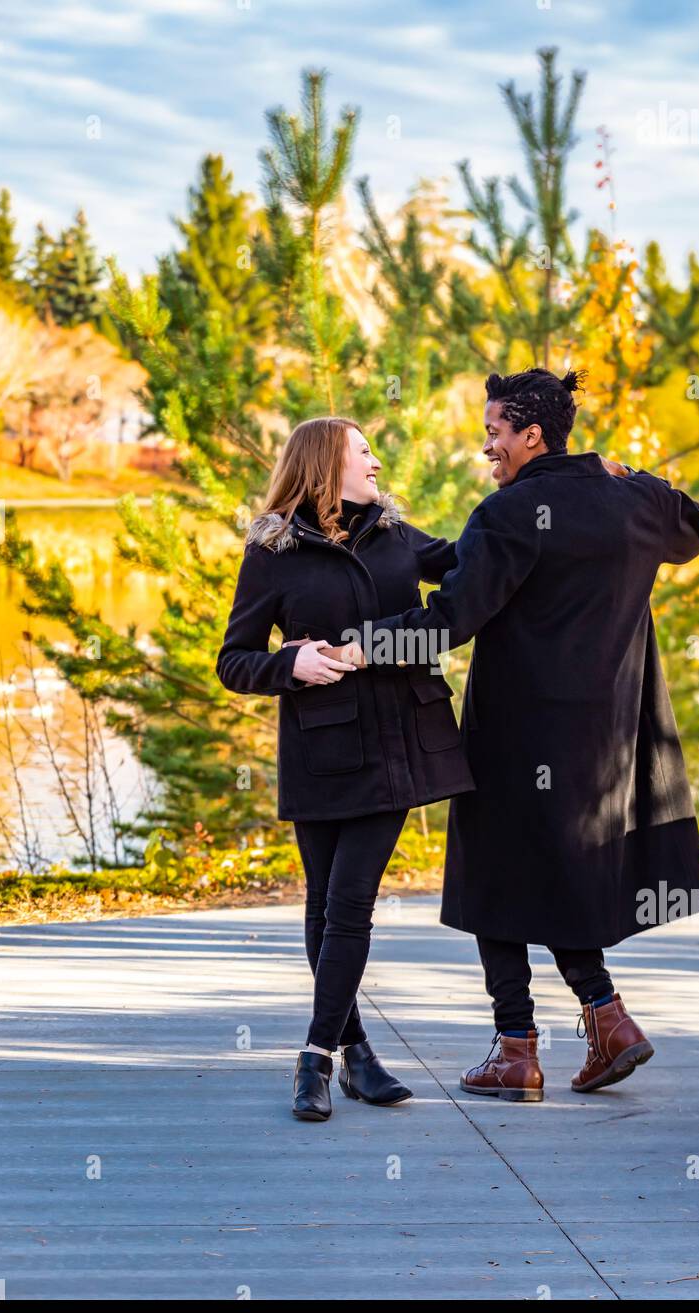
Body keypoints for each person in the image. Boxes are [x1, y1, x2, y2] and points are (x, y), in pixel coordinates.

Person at [328, 368, 699, 1102]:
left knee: (491, 876)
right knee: (556, 872)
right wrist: (624, 472)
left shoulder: (510, 513)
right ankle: (606, 1019)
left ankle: (517, 1048)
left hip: (518, 728)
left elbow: (446, 623)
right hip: (611, 734)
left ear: (531, 434)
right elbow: (693, 528)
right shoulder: (634, 502)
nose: (487, 450)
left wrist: (358, 645)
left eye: (494, 433)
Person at [216, 417, 474, 1120]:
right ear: (327, 465)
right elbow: (233, 661)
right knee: (323, 901)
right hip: (322, 749)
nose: (377, 462)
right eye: (364, 452)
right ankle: (358, 1053)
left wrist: (537, 516)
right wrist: (288, 664)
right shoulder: (272, 551)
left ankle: (315, 1059)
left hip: (401, 744)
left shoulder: (395, 534)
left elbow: (473, 566)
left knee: (351, 900)